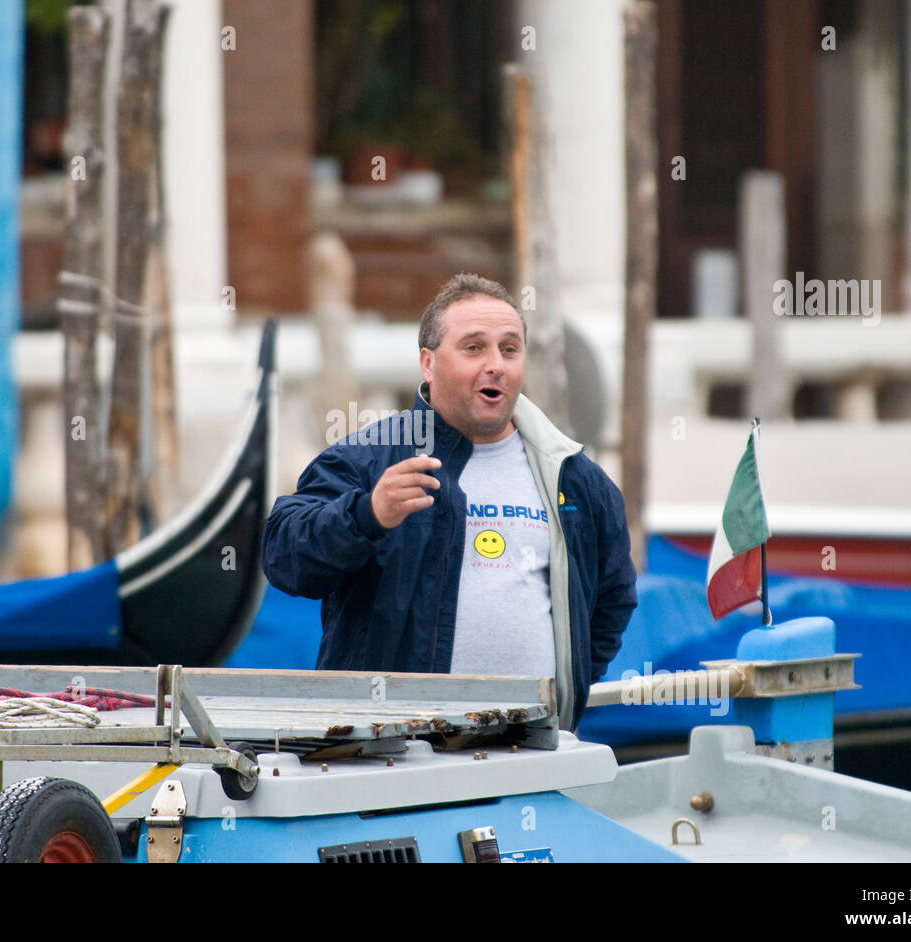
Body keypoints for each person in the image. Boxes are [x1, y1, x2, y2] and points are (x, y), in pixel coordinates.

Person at [261, 273, 637, 730]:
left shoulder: (575, 477)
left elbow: (612, 600)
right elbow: (285, 557)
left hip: (532, 747)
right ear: (428, 363)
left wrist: (567, 686)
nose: (496, 364)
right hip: (394, 749)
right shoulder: (369, 457)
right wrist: (366, 516)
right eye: (474, 348)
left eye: (510, 349)